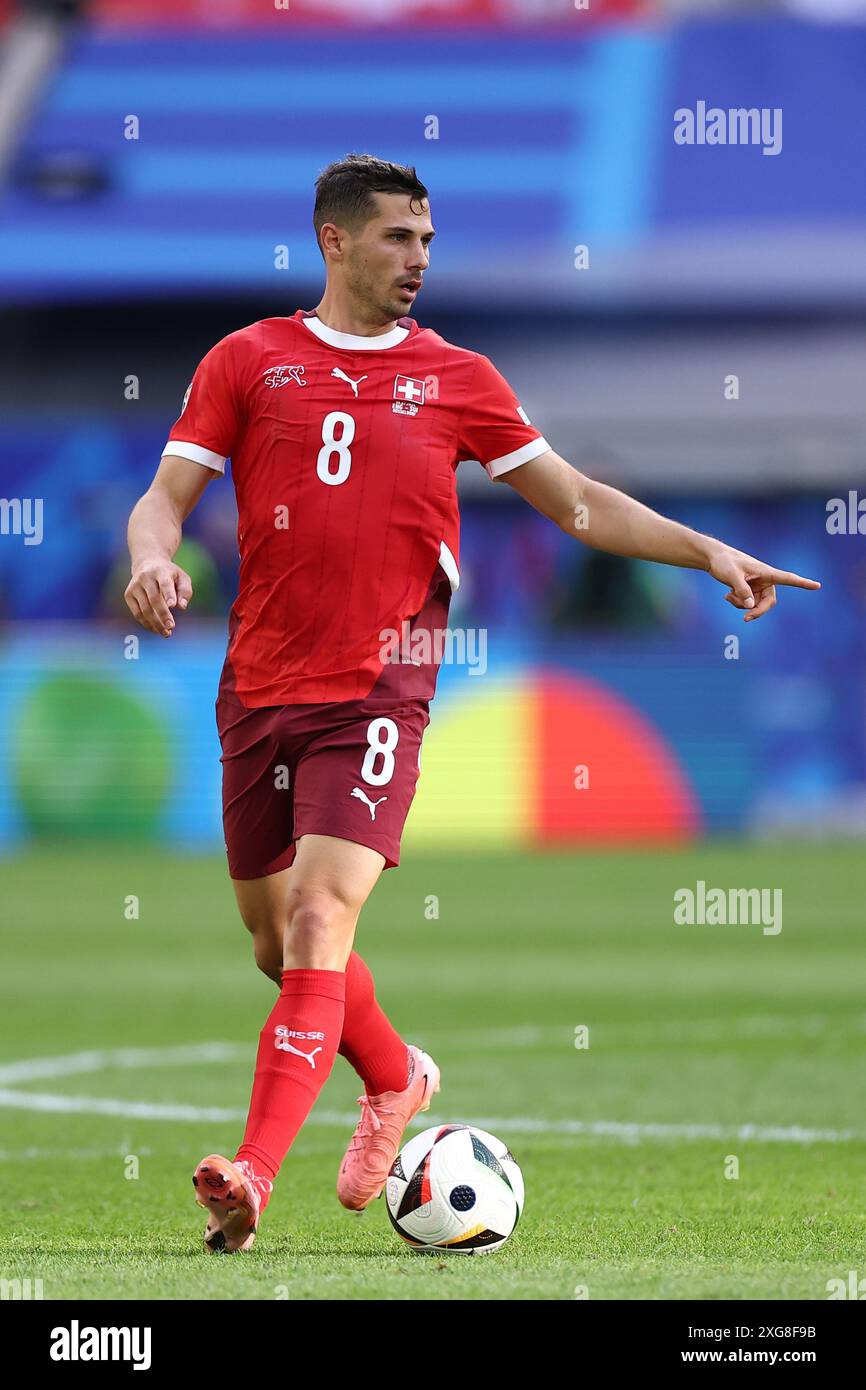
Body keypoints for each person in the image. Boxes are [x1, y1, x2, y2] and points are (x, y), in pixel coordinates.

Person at [124, 154, 820, 1253]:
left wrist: (704, 549)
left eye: (429, 242)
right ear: (336, 241)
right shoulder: (247, 361)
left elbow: (579, 504)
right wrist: (151, 561)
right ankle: (396, 1076)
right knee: (273, 943)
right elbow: (162, 503)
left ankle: (251, 1173)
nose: (418, 261)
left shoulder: (458, 376)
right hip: (257, 688)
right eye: (399, 239)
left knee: (318, 919)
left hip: (378, 689)